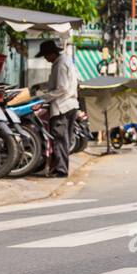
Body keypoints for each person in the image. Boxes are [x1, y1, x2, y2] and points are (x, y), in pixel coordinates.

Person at [36, 39, 79, 177]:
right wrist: (41, 86)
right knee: (64, 140)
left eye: (46, 55)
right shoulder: (65, 61)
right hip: (70, 105)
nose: (45, 58)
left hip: (62, 106)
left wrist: (42, 98)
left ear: (51, 53)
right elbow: (56, 84)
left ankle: (61, 170)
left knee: (60, 140)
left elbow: (61, 88)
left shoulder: (60, 64)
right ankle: (60, 168)